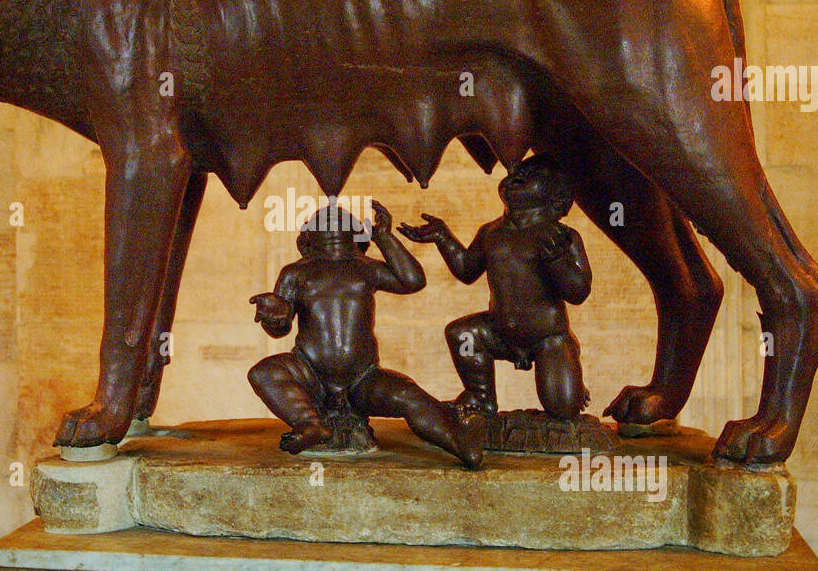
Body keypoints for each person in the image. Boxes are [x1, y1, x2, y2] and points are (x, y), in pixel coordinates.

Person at [248, 200, 484, 469]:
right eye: (322, 224)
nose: (331, 224)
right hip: (309, 371)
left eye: (341, 224)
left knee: (408, 395)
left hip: (364, 377)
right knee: (264, 373)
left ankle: (460, 441)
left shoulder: (365, 267)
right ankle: (311, 423)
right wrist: (274, 314)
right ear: (306, 241)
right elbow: (281, 329)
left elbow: (412, 280)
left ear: (358, 238)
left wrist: (385, 238)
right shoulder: (296, 272)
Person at [400, 154, 592, 423]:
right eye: (516, 170)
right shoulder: (491, 232)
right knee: (463, 335)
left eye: (533, 173)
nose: (517, 173)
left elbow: (579, 292)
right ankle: (480, 396)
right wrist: (443, 238)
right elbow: (467, 270)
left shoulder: (561, 237)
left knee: (563, 410)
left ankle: (569, 363)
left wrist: (558, 261)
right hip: (499, 331)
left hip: (548, 337)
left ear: (556, 199)